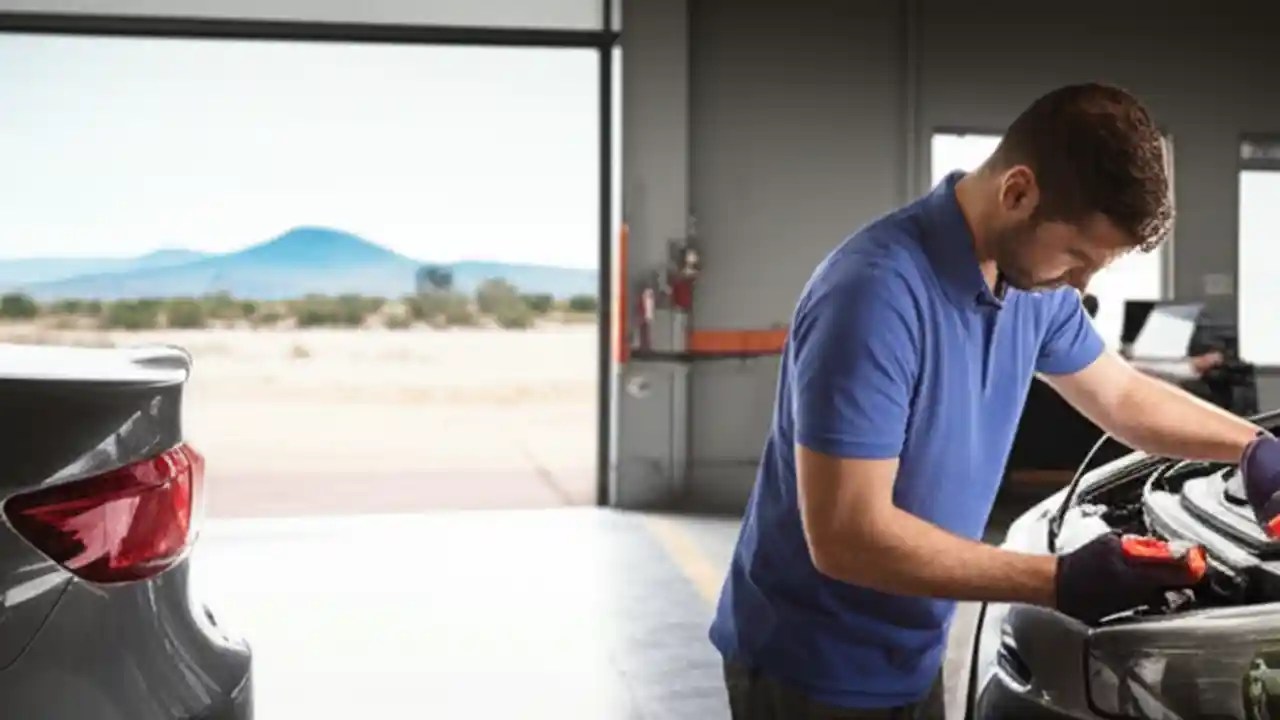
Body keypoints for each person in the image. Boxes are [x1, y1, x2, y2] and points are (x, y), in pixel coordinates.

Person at [708, 82, 1280, 719]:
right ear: (1017, 192)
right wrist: (1058, 580)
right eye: (1076, 256)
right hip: (812, 667)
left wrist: (1252, 445)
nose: (1081, 283)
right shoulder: (872, 297)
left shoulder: (1035, 290)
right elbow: (847, 537)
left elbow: (1120, 395)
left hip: (912, 648)